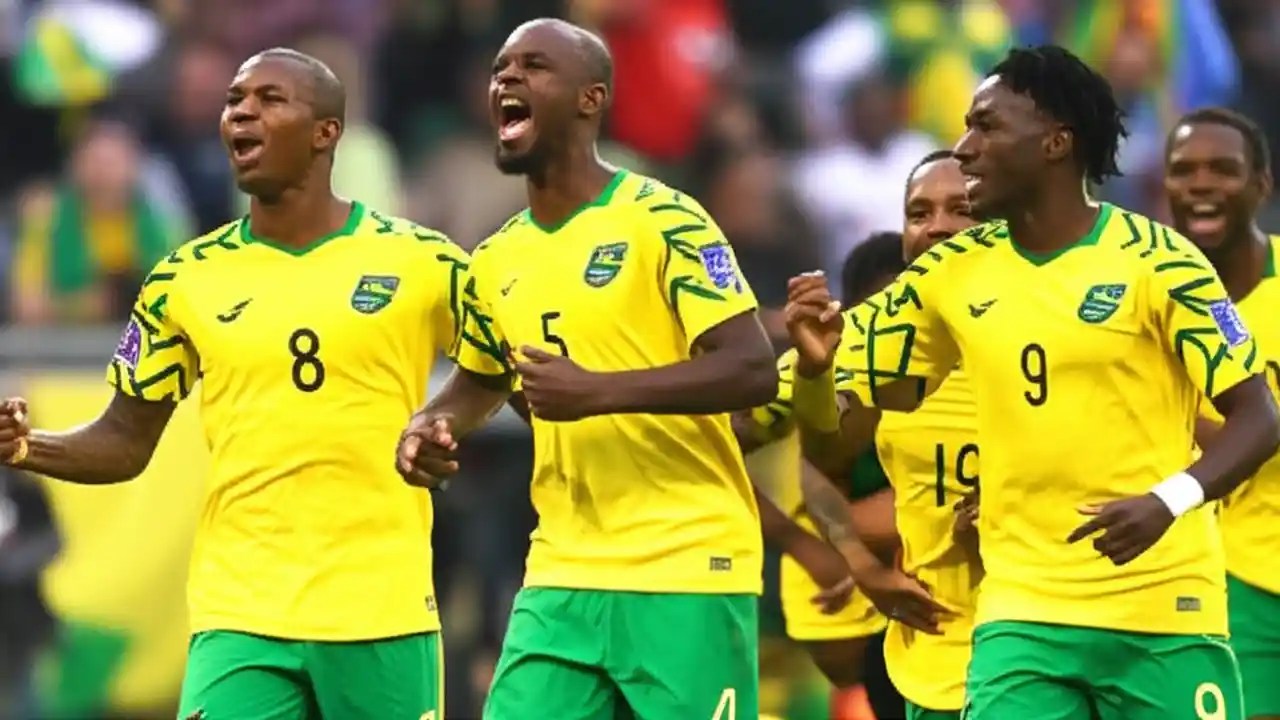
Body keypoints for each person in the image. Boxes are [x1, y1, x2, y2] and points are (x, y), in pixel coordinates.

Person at [785, 45, 1280, 720]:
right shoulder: (948, 273)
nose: (964, 148)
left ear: (1055, 142)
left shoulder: (1161, 262)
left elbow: (1258, 417)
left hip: (1163, 605)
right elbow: (831, 436)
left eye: (986, 126)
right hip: (1022, 611)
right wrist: (815, 372)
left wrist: (1167, 501)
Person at [0, 48, 468, 720]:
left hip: (379, 607)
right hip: (242, 612)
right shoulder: (183, 279)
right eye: (234, 101)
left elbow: (497, 364)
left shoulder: (423, 261)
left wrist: (445, 419)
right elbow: (124, 441)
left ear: (326, 132)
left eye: (269, 99)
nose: (242, 113)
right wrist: (26, 446)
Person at [395, 18, 777, 720]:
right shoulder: (495, 258)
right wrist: (434, 422)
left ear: (590, 98)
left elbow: (752, 367)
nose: (508, 78)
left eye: (534, 66)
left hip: (685, 562)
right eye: (501, 69)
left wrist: (599, 391)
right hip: (562, 569)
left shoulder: (664, 218)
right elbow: (482, 377)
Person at [800, 149, 983, 720]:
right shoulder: (870, 344)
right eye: (919, 213)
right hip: (935, 651)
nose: (937, 227)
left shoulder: (1057, 326)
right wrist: (859, 562)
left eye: (961, 209)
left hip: (1056, 632)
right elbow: (814, 460)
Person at [734, 231, 905, 702]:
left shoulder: (969, 361)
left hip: (942, 577)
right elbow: (710, 452)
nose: (900, 323)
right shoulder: (809, 366)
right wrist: (804, 545)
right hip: (838, 594)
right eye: (882, 308)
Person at [1165, 107, 1280, 720]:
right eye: (1184, 170)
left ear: (1262, 183)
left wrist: (1187, 420)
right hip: (1227, 581)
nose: (1201, 184)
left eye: (1223, 169)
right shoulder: (1149, 295)